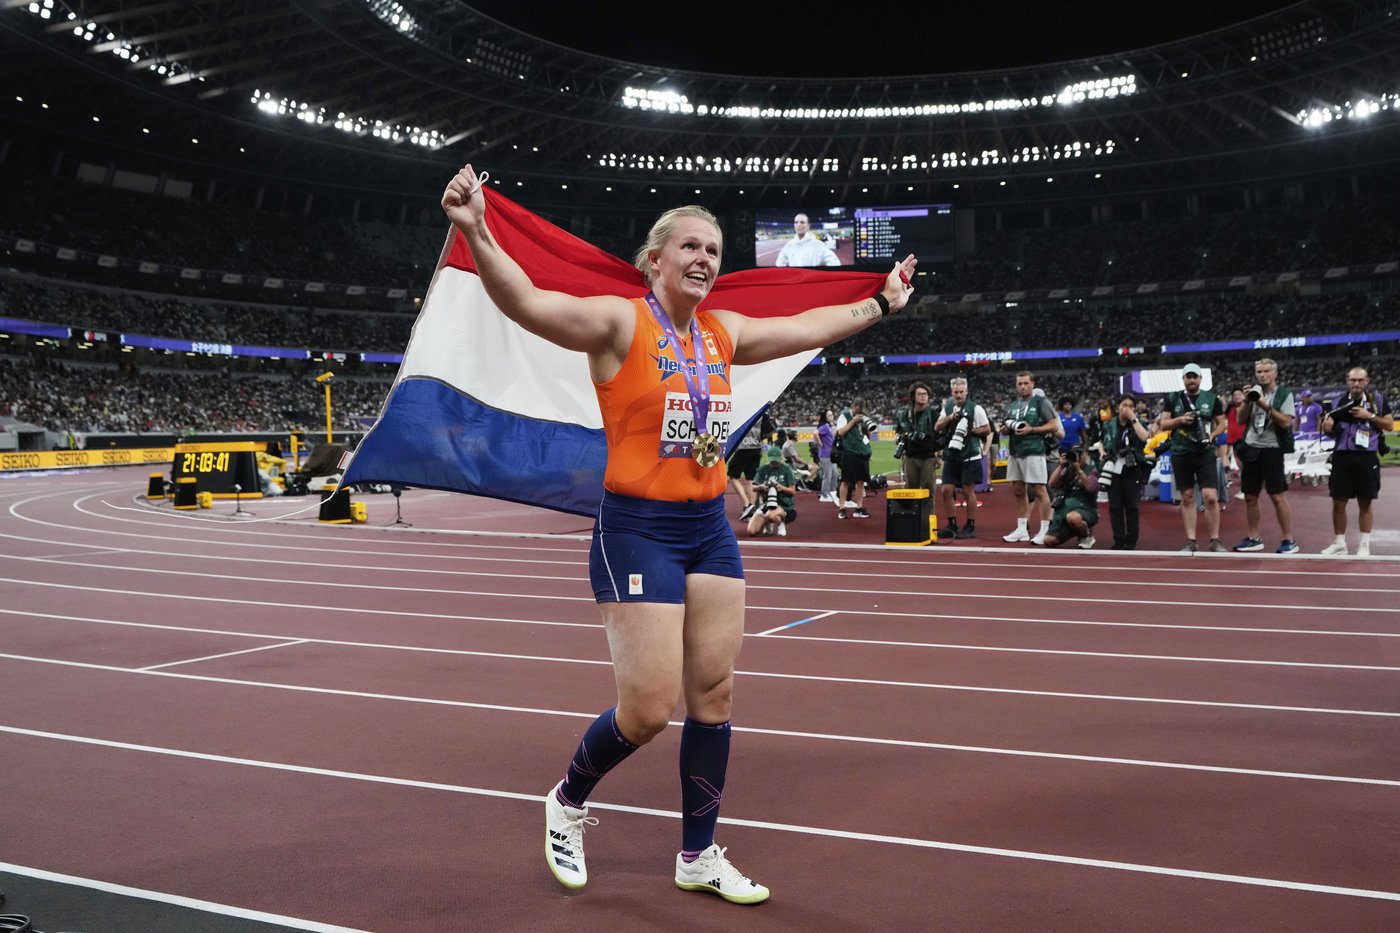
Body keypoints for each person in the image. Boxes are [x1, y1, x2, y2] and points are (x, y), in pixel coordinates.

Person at [442, 163, 916, 903]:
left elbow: (805, 328)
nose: (704, 260)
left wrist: (881, 302)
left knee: (715, 694)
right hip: (637, 528)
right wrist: (476, 230)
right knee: (647, 708)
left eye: (714, 252)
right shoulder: (617, 322)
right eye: (690, 247)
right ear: (654, 259)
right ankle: (567, 800)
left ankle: (697, 853)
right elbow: (529, 303)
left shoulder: (722, 334)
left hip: (707, 526)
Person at [1320, 366, 1393, 557]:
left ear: (1367, 381)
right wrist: (1327, 429)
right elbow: (1331, 432)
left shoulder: (1377, 400)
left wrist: (1369, 416)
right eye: (1353, 380)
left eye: (1361, 380)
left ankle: (1364, 545)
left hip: (1366, 456)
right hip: (1342, 456)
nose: (1357, 384)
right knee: (1338, 501)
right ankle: (1339, 543)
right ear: (1347, 380)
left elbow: (1389, 425)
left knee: (1365, 502)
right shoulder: (1337, 401)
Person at [1232, 358, 1298, 553]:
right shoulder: (1253, 393)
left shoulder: (1284, 394)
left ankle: (1288, 539)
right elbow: (1240, 419)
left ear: (1275, 373)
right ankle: (1253, 537)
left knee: (1277, 495)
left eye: (1266, 371)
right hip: (1252, 447)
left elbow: (1286, 422)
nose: (1262, 375)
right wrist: (1247, 401)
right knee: (1250, 496)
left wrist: (1263, 404)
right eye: (1259, 371)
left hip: (1272, 448)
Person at [1160, 363, 1226, 552]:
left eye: (1194, 377)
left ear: (1200, 379)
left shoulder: (1212, 399)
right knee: (1187, 497)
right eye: (1188, 377)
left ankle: (1215, 540)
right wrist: (1180, 420)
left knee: (1210, 497)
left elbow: (1222, 424)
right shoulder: (1173, 398)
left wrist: (1213, 435)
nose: (1191, 380)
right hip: (1181, 452)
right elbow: (1163, 424)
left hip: (1205, 452)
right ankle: (1191, 541)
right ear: (1183, 379)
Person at [1002, 372, 1063, 544]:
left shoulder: (1042, 402)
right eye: (1019, 383)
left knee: (1039, 490)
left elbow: (1053, 425)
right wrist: (1006, 429)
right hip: (1016, 451)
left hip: (1034, 450)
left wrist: (1032, 430)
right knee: (1019, 490)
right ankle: (1022, 529)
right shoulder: (1014, 404)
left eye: (1026, 383)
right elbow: (1007, 423)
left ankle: (1044, 530)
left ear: (1032, 384)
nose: (1022, 386)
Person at [935, 377, 991, 539]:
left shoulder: (976, 409)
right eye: (955, 392)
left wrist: (970, 431)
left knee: (968, 491)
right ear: (951, 393)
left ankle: (970, 525)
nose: (958, 395)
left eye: (961, 392)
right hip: (952, 455)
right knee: (946, 490)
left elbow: (987, 430)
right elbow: (937, 427)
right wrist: (950, 418)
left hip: (970, 455)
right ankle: (952, 524)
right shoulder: (948, 408)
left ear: (966, 392)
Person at [1099, 395, 1151, 549]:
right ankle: (1119, 538)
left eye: (1130, 405)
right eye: (1124, 405)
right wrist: (1102, 453)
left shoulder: (1139, 423)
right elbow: (1101, 442)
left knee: (1132, 505)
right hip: (1114, 466)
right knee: (1115, 505)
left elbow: (1144, 438)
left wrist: (1133, 419)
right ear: (1117, 408)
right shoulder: (1109, 424)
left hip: (1132, 467)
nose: (1127, 408)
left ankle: (1131, 539)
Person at [1039, 446, 1100, 548]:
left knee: (1073, 518)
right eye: (1076, 454)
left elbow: (1091, 488)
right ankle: (1077, 530)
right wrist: (1061, 466)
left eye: (1080, 454)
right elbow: (1051, 484)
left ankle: (1087, 536)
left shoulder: (1091, 470)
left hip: (1086, 509)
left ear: (1086, 455)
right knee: (1048, 541)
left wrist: (1078, 469)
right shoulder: (1067, 469)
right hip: (1065, 510)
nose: (1078, 457)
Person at [895, 381, 939, 498]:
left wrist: (939, 456)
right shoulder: (904, 415)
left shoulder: (933, 415)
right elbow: (898, 432)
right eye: (920, 394)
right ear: (913, 397)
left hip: (928, 456)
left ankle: (927, 515)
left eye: (925, 394)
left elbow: (940, 435)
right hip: (910, 455)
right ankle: (913, 516)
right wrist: (900, 438)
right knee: (911, 489)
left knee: (928, 489)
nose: (923, 396)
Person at [834, 398, 876, 519]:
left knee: (861, 481)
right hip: (849, 452)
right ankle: (842, 508)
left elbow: (867, 436)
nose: (861, 413)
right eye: (860, 409)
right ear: (856, 406)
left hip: (861, 452)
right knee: (846, 481)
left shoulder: (863, 417)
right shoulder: (845, 415)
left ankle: (859, 508)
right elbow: (840, 432)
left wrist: (866, 427)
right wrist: (853, 421)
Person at [748, 446, 797, 537]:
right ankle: (768, 523)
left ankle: (780, 523)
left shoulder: (786, 470)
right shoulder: (763, 469)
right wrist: (761, 487)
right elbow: (753, 487)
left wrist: (781, 488)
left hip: (783, 504)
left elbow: (792, 491)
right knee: (752, 531)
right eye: (772, 460)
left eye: (776, 460)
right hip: (766, 504)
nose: (774, 462)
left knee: (770, 515)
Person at [727, 418, 763, 522]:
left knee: (733, 476)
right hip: (756, 447)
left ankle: (747, 504)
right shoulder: (760, 410)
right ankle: (752, 507)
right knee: (751, 479)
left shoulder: (744, 410)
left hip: (744, 447)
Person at [774, 212, 841, 268]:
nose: (798, 225)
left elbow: (835, 263)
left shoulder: (818, 244)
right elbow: (779, 265)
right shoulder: (789, 245)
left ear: (808, 225)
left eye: (802, 222)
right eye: (796, 222)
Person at [816, 409, 839, 503]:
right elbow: (815, 433)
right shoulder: (825, 426)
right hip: (825, 454)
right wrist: (820, 444)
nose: (831, 416)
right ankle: (824, 495)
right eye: (829, 415)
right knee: (828, 474)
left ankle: (832, 492)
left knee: (835, 474)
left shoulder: (829, 426)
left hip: (830, 454)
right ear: (825, 417)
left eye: (832, 414)